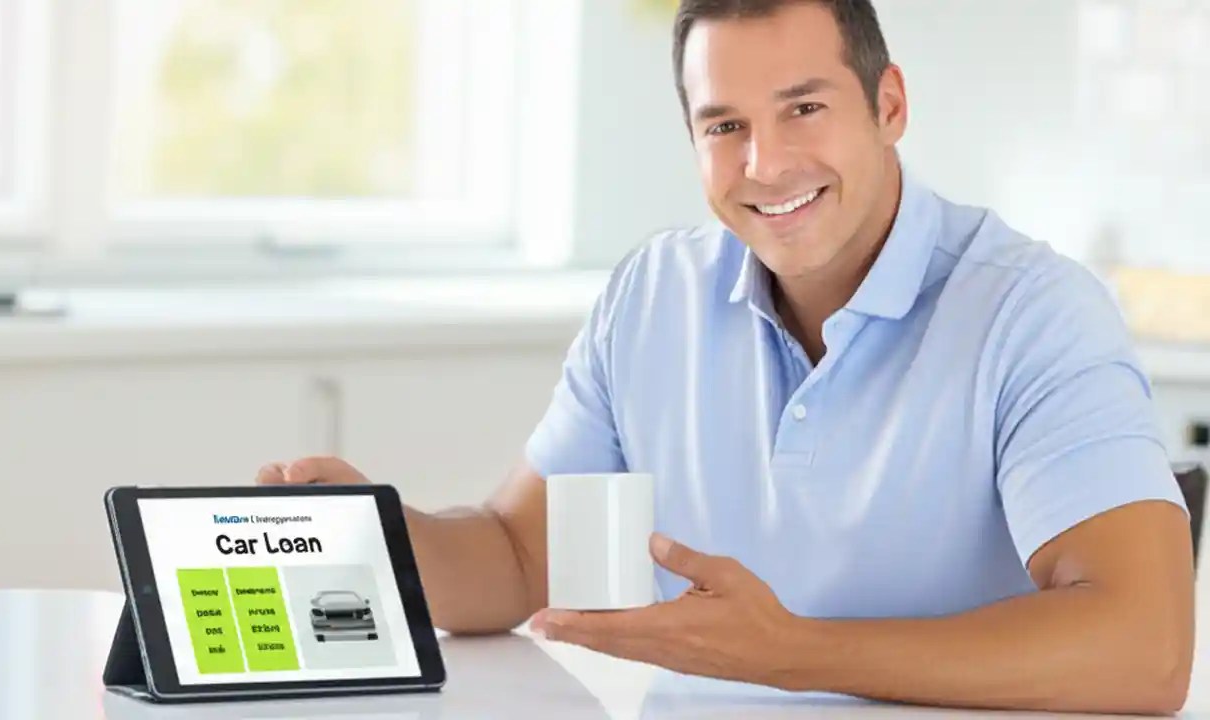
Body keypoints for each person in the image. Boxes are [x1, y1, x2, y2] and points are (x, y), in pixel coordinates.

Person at [258, 0, 1195, 713]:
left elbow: (1145, 648)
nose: (766, 164)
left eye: (803, 109)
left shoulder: (1034, 313)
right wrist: (379, 532)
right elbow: (514, 557)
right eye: (725, 126)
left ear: (890, 104)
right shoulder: (653, 295)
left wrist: (790, 650)